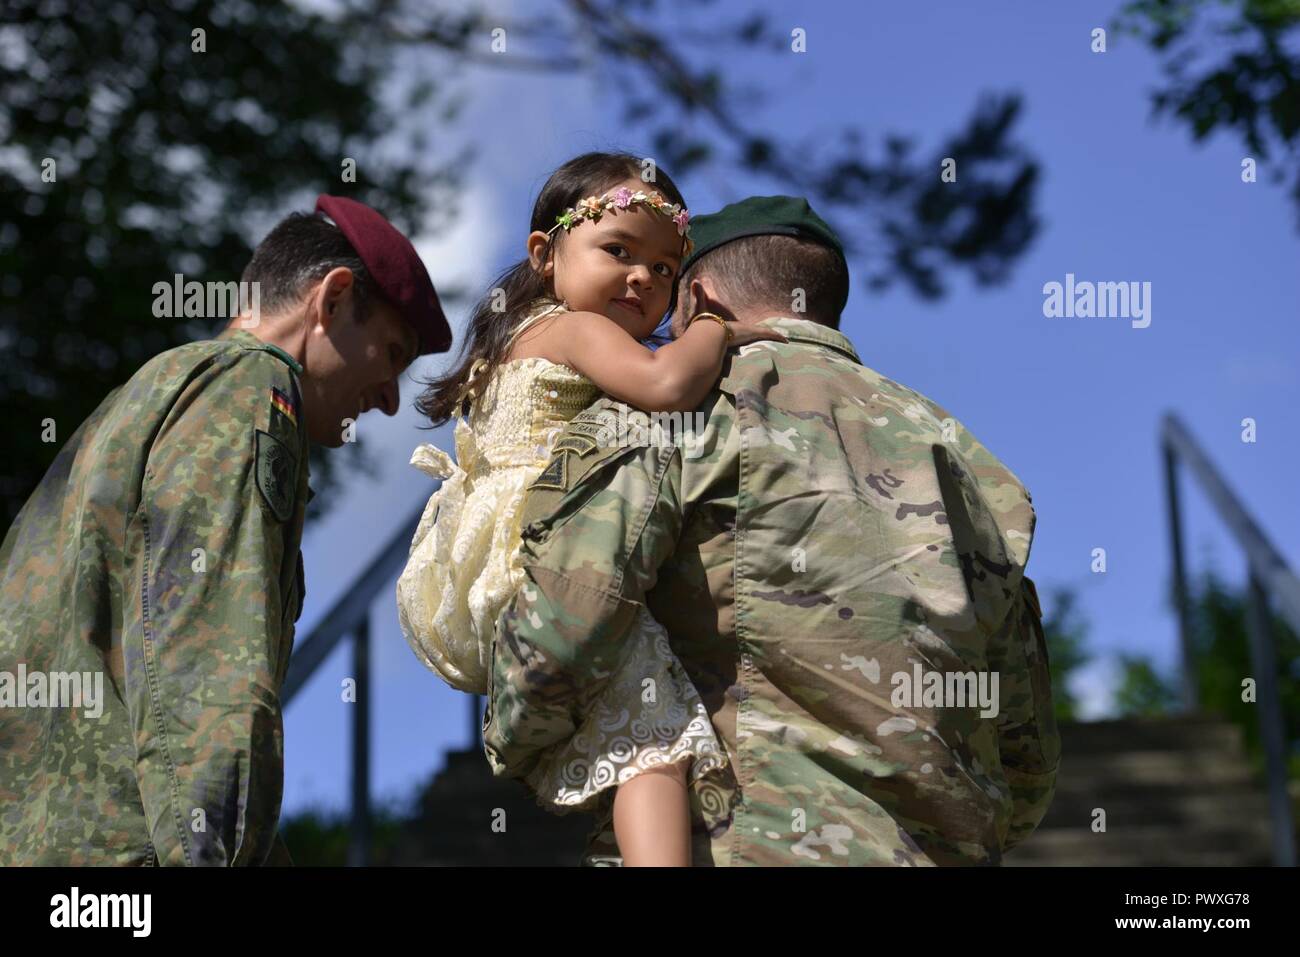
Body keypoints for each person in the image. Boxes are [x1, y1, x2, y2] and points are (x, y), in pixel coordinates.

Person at [483, 195, 1061, 866]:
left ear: (698, 298)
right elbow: (1028, 764)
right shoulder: (972, 468)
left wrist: (517, 733)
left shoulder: (674, 413)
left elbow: (563, 631)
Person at [0, 194, 451, 865]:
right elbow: (207, 670)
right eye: (391, 351)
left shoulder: (145, 395)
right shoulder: (252, 389)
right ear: (331, 300)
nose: (389, 397)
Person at [397, 152, 786, 866]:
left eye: (667, 268)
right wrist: (712, 329)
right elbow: (666, 383)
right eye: (619, 251)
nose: (645, 277)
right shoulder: (574, 330)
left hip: (497, 571)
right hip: (547, 551)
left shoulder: (512, 337)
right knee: (652, 731)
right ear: (545, 254)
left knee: (622, 713)